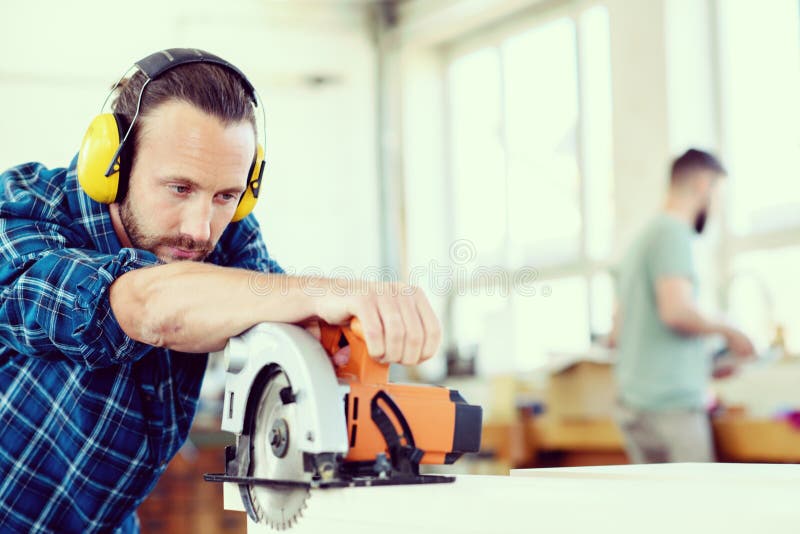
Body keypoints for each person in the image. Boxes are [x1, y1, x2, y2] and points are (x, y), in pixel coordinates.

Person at [0, 49, 441, 533]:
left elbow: (286, 322)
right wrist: (323, 290)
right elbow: (146, 306)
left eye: (226, 196)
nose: (199, 228)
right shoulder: (22, 218)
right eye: (179, 188)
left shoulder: (228, 235)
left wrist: (348, 337)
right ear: (112, 163)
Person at [609, 148, 754, 464]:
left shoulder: (640, 242)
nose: (716, 208)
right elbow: (675, 311)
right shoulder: (673, 233)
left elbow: (617, 332)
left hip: (635, 404)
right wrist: (730, 330)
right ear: (704, 185)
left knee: (660, 510)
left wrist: (705, 365)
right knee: (697, 508)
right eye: (719, 196)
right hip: (670, 408)